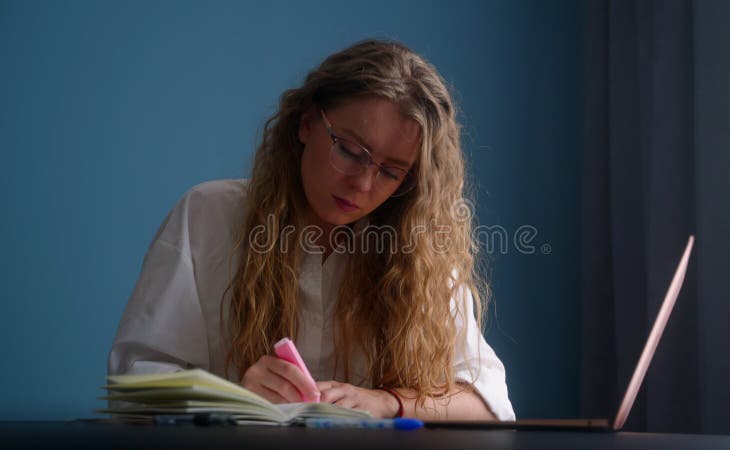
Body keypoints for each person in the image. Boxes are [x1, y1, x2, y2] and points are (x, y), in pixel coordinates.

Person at [108, 39, 515, 421]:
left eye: (392, 172)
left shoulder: (415, 245)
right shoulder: (207, 216)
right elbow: (133, 385)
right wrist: (233, 399)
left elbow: (488, 398)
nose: (364, 184)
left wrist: (388, 401)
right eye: (351, 152)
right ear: (306, 123)